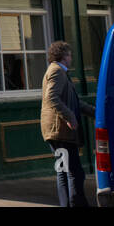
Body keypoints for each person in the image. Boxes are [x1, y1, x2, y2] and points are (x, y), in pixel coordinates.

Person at [40, 40, 95, 207]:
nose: (71, 59)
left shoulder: (57, 71)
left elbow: (74, 102)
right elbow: (51, 97)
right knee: (74, 173)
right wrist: (70, 117)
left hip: (56, 132)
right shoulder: (57, 71)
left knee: (64, 172)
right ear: (64, 56)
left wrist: (95, 112)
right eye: (70, 55)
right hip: (61, 133)